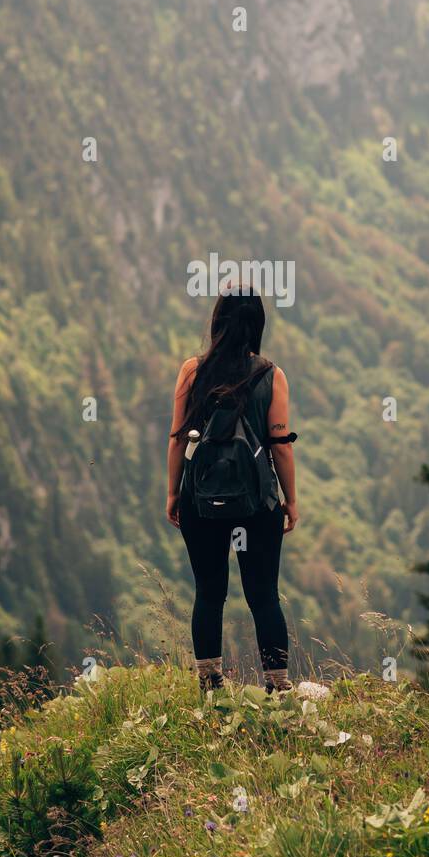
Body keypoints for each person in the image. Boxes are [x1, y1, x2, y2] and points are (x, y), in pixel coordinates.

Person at [166, 287, 298, 694]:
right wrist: (290, 500)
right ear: (257, 325)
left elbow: (177, 438)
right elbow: (281, 446)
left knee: (209, 593)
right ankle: (277, 687)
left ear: (216, 322)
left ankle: (210, 686)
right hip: (256, 503)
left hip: (201, 500)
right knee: (264, 596)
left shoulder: (192, 371)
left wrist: (173, 494)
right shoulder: (272, 376)